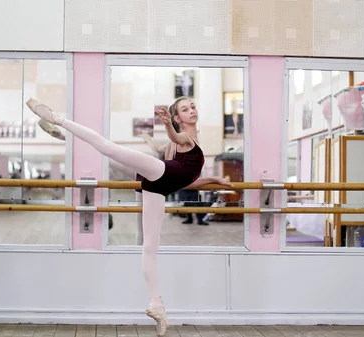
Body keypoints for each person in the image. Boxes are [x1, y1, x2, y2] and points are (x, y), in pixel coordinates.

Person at [25, 96, 232, 336]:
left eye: (193, 106)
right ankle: (58, 120)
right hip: (161, 177)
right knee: (109, 149)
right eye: (185, 109)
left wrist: (214, 179)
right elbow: (177, 139)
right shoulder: (183, 139)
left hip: (159, 187)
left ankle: (157, 305)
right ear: (177, 118)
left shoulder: (183, 145)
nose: (192, 111)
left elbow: (188, 180)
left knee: (149, 246)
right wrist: (167, 127)